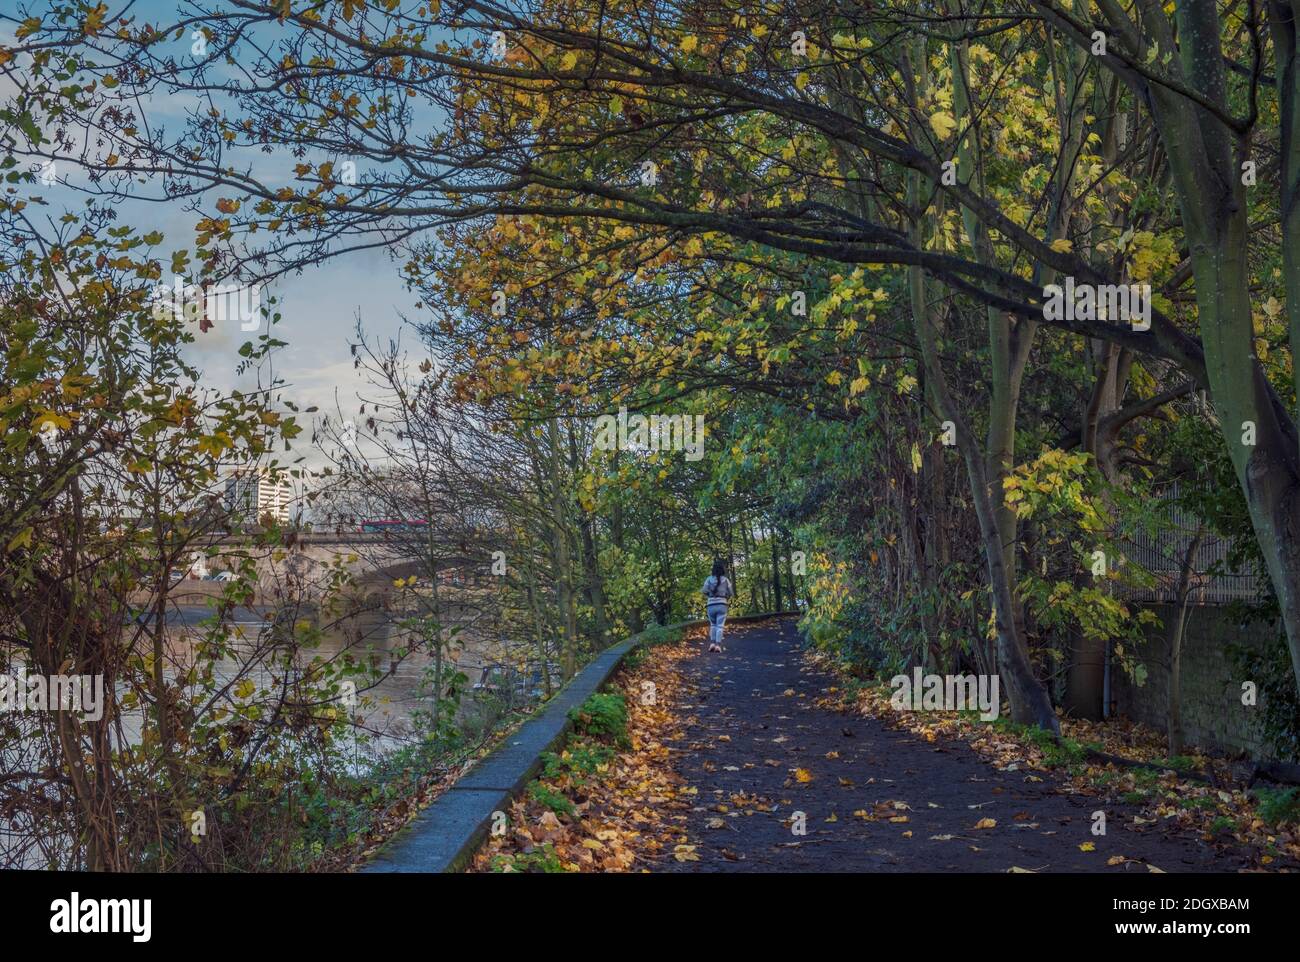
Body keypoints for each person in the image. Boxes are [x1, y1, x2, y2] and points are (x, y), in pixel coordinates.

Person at [701, 559, 734, 653]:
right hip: (722, 604)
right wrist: (725, 595)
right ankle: (718, 646)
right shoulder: (726, 580)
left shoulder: (708, 579)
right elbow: (731, 593)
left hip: (711, 604)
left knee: (713, 625)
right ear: (722, 569)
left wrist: (710, 595)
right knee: (720, 626)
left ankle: (712, 643)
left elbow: (704, 591)